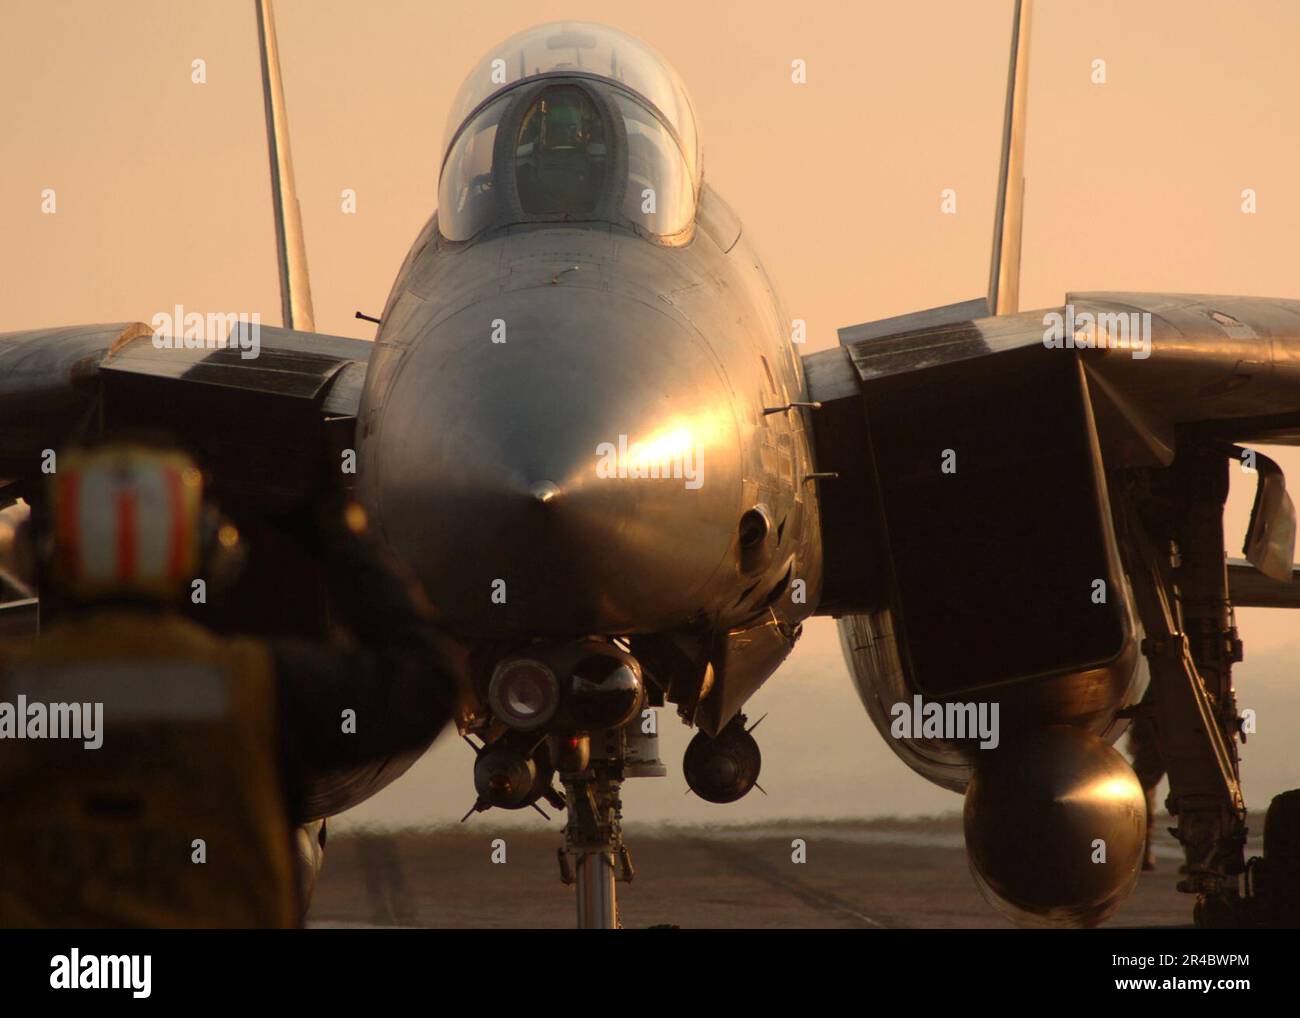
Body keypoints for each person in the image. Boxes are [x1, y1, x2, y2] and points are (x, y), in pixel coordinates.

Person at [0, 441, 463, 927]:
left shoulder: (14, 687)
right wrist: (343, 539)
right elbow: (427, 685)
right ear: (205, 550)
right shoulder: (261, 684)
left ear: (40, 550)